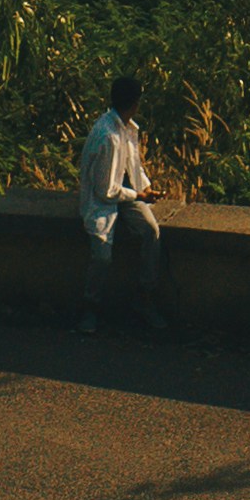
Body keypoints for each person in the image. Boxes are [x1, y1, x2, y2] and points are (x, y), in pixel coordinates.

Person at [77, 74, 168, 336]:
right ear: (135, 102)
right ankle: (90, 306)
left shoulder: (127, 128)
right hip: (104, 200)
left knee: (151, 231)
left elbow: (132, 166)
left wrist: (145, 187)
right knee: (102, 253)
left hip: (126, 193)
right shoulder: (107, 136)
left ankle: (144, 297)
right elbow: (106, 191)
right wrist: (139, 197)